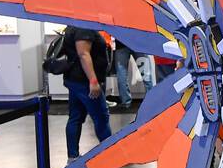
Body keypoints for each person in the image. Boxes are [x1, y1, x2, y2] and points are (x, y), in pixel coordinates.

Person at [62, 25, 113, 160]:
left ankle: (73, 156)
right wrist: (93, 81)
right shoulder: (83, 28)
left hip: (75, 79)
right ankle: (111, 154)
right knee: (101, 116)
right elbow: (83, 54)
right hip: (84, 82)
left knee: (76, 117)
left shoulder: (72, 25)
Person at [113, 38, 154, 111]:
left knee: (121, 74)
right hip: (138, 42)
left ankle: (126, 103)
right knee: (146, 75)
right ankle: (151, 101)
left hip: (121, 42)